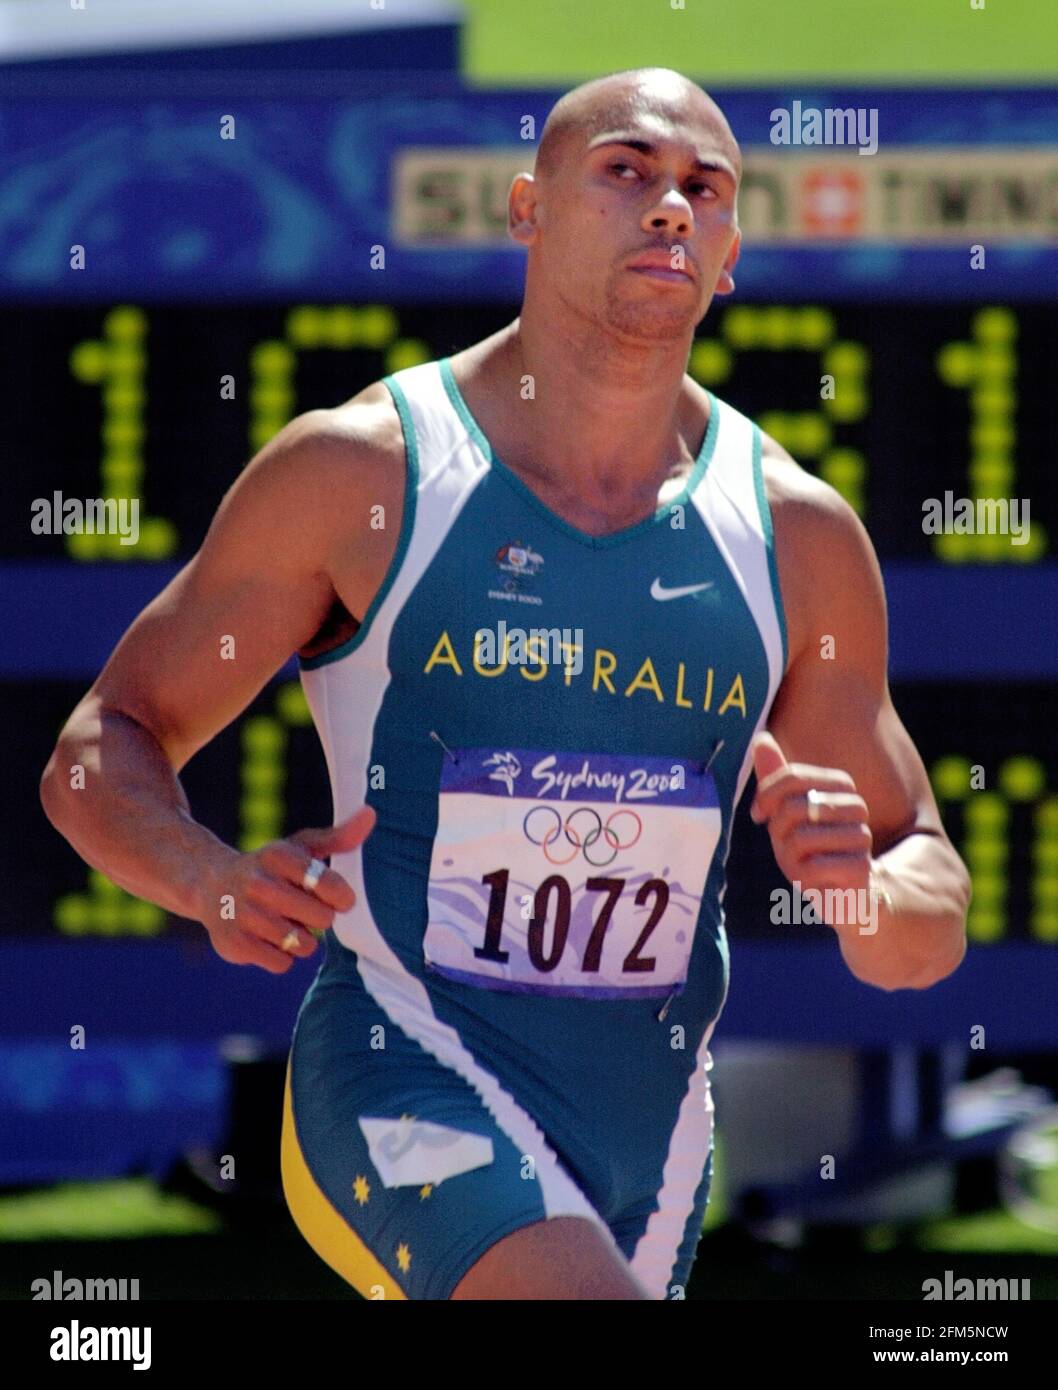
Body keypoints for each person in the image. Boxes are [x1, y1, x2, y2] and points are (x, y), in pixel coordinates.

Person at [40, 67, 970, 1301]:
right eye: (627, 171)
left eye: (704, 189)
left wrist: (860, 890)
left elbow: (925, 919)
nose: (669, 208)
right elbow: (103, 743)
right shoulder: (361, 473)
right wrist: (208, 879)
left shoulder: (796, 535)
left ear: (732, 254)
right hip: (399, 1063)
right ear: (526, 209)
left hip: (653, 1135)